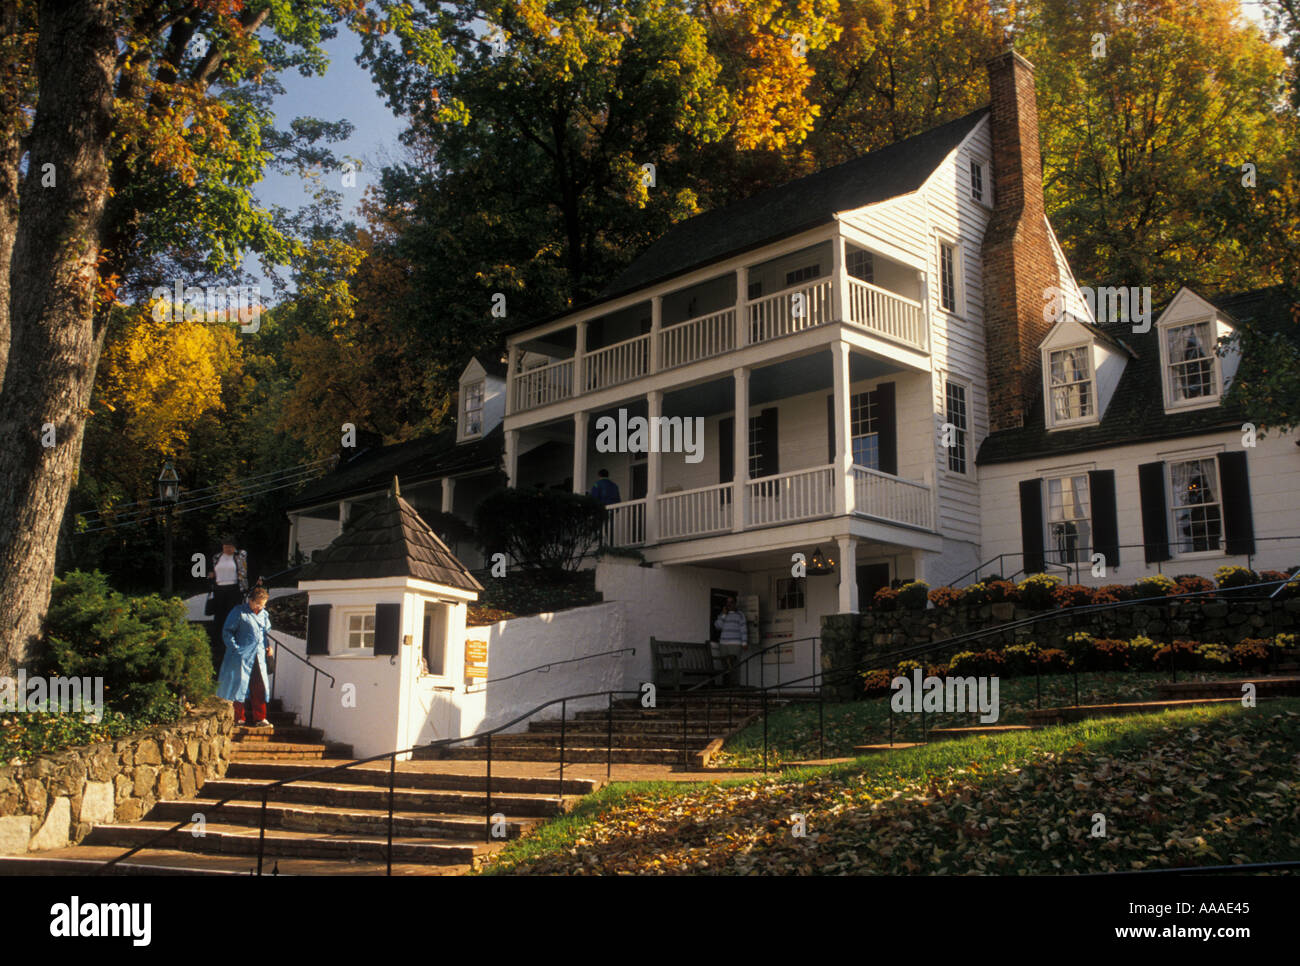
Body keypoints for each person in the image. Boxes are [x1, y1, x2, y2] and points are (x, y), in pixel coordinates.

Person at [217, 586, 274, 728]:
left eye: (264, 604)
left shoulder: (264, 614)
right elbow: (227, 632)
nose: (261, 607)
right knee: (238, 685)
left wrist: (268, 647)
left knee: (259, 685)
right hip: (241, 656)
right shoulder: (239, 612)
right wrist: (235, 649)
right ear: (251, 601)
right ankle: (237, 718)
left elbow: (263, 633)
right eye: (258, 603)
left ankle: (260, 718)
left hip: (258, 655)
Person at [209, 535, 249, 672]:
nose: (227, 549)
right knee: (219, 617)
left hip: (234, 588)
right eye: (225, 546)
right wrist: (212, 576)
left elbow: (244, 570)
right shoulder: (216, 557)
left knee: (231, 615)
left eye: (230, 546)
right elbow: (214, 570)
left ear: (234, 546)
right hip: (219, 588)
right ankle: (218, 642)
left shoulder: (240, 555)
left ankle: (232, 641)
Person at [713, 596, 748, 687]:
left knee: (734, 666)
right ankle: (726, 686)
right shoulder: (723, 614)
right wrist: (724, 615)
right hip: (723, 644)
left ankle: (735, 685)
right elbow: (718, 626)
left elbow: (743, 629)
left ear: (735, 603)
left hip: (735, 644)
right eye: (727, 602)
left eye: (731, 602)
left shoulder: (740, 615)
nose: (729, 604)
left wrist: (744, 643)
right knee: (725, 666)